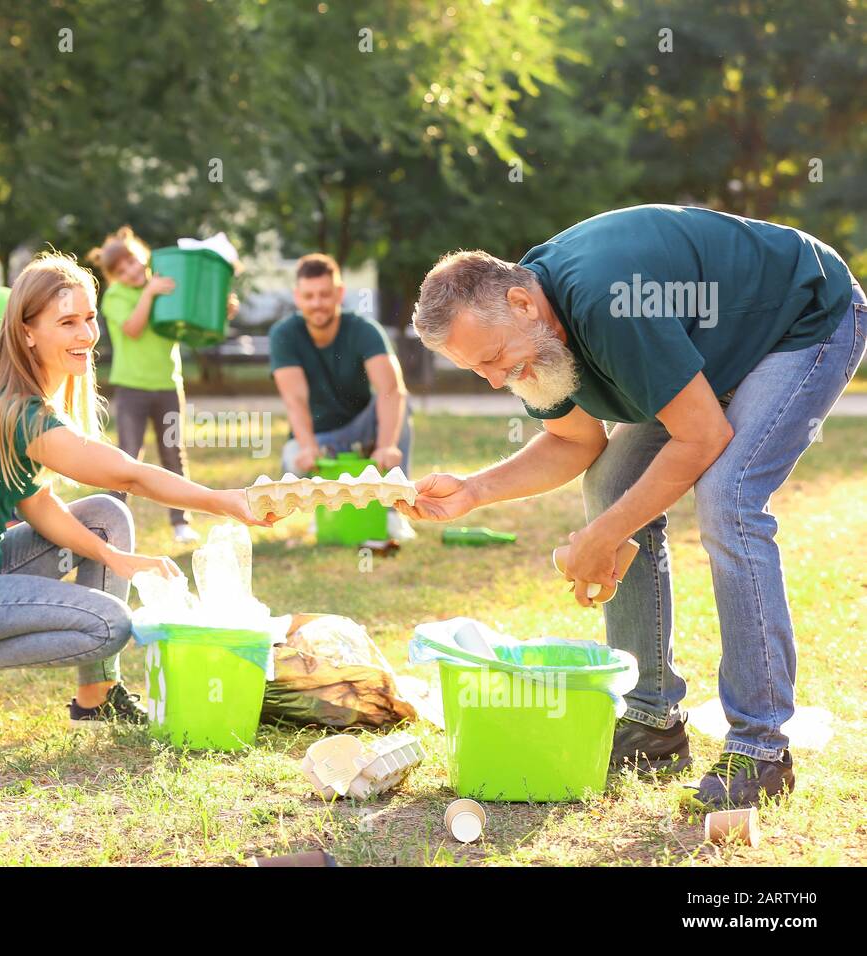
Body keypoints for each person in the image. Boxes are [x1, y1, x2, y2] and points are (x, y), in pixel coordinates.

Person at [403, 204, 865, 809]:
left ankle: (761, 749)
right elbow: (577, 441)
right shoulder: (532, 334)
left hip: (803, 318)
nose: (494, 380)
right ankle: (651, 718)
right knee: (612, 481)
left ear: (520, 302)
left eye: (491, 359)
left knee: (729, 498)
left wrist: (601, 539)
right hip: (716, 351)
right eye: (477, 369)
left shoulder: (607, 300)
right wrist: (474, 490)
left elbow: (702, 437)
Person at [0, 252, 270, 727]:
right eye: (67, 322)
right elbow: (129, 474)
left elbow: (37, 503)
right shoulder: (20, 415)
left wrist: (111, 556)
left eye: (89, 318)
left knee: (108, 518)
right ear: (27, 331)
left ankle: (96, 695)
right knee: (111, 623)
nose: (87, 334)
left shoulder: (23, 399)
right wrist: (222, 502)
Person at [88, 227, 236, 544]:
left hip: (168, 386)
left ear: (144, 257)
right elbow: (132, 329)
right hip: (132, 389)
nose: (131, 271)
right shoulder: (116, 297)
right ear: (113, 277)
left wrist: (221, 309)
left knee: (173, 453)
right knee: (127, 458)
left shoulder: (165, 284)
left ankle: (181, 522)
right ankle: (106, 526)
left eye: (133, 262)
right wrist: (150, 294)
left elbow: (191, 321)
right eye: (121, 270)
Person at [268, 252, 414, 539]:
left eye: (324, 294)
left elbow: (390, 390)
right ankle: (324, 515)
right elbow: (294, 400)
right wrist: (308, 447)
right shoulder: (283, 334)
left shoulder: (364, 329)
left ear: (339, 293)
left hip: (361, 425)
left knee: (401, 404)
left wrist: (386, 446)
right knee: (292, 458)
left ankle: (393, 513)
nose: (317, 303)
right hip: (321, 436)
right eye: (309, 296)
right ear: (298, 298)